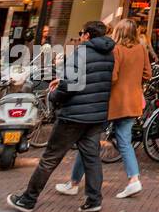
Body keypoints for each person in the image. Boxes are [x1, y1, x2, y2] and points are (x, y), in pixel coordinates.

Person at [8, 20, 116, 212]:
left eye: (82, 32)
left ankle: (27, 199)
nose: (81, 35)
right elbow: (91, 80)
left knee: (50, 158)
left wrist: (53, 96)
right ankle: (94, 200)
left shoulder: (80, 53)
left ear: (88, 35)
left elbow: (70, 86)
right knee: (91, 158)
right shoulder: (109, 55)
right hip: (95, 115)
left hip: (74, 115)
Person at [57, 18, 151, 200]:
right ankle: (134, 179)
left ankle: (74, 183)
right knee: (125, 142)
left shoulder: (115, 50)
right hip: (132, 102)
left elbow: (113, 76)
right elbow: (147, 74)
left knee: (89, 140)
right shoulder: (141, 49)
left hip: (112, 101)